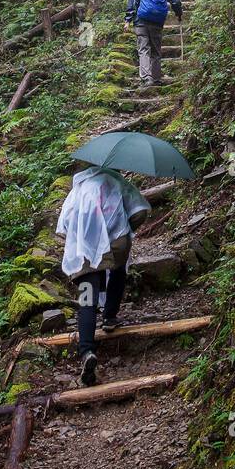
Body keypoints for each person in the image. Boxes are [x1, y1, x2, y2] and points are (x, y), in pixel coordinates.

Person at [55, 165, 151, 386]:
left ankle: (87, 351)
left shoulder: (76, 191)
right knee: (117, 269)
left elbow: (65, 225)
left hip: (84, 252)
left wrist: (86, 237)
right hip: (115, 244)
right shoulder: (115, 181)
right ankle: (109, 316)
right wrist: (125, 227)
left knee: (86, 300)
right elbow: (139, 210)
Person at [124, 0, 182, 87]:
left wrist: (127, 20)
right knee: (156, 51)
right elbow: (175, 1)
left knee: (144, 49)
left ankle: (146, 78)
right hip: (157, 22)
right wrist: (179, 14)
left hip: (141, 22)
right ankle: (156, 78)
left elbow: (132, 3)